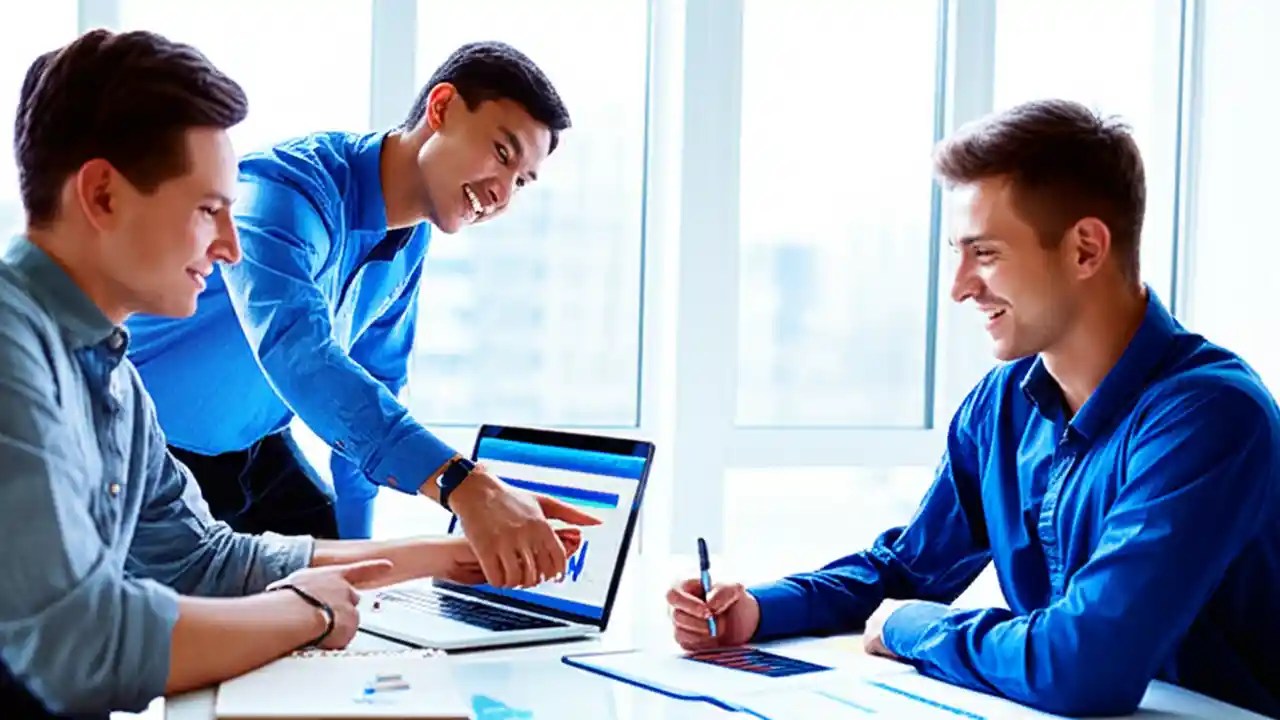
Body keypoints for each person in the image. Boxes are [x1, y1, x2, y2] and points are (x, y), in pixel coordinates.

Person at [0, 30, 581, 719]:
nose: (229, 245)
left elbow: (206, 563)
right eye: (210, 209)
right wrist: (456, 492)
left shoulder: (114, 380)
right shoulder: (18, 350)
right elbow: (81, 649)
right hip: (197, 445)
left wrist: (447, 556)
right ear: (102, 195)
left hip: (238, 447)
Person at [665, 99, 1280, 718]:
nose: (959, 286)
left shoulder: (1209, 417)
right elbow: (906, 570)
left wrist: (913, 628)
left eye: (984, 253)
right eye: (957, 253)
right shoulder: (1003, 402)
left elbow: (1084, 666)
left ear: (1086, 249)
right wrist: (758, 610)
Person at [122, 39, 598, 584]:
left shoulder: (410, 243)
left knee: (348, 597)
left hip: (257, 450)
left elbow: (374, 390)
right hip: (145, 457)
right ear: (440, 109)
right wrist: (464, 485)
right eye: (503, 153)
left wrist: (364, 559)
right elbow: (300, 355)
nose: (501, 194)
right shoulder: (282, 193)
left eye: (521, 182)